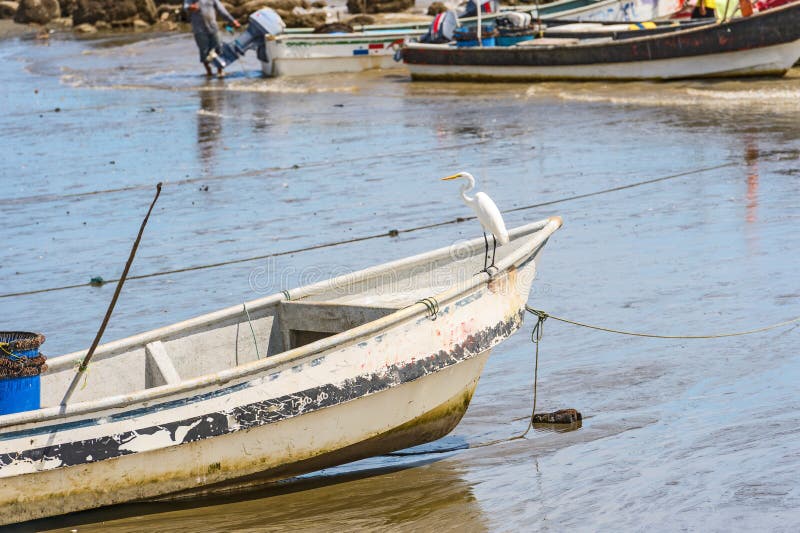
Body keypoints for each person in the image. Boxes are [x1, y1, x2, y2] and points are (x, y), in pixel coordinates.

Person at [184, 0, 240, 77]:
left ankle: (220, 71)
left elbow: (222, 11)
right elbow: (185, 7)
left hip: (213, 28)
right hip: (199, 30)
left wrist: (233, 21)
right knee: (204, 52)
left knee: (219, 48)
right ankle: (209, 72)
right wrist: (190, 7)